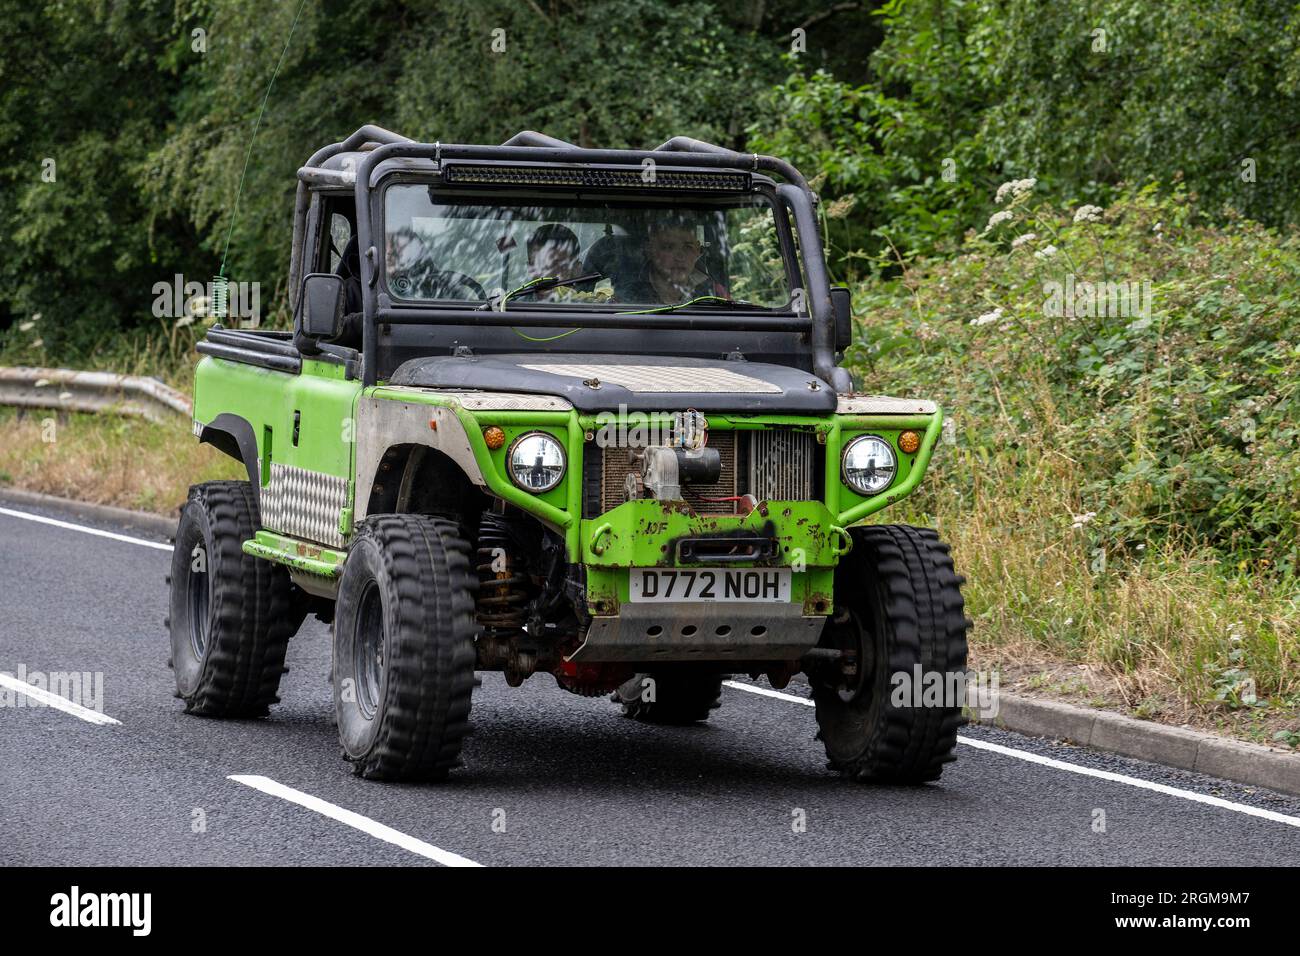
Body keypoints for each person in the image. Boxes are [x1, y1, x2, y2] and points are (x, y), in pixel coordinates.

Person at [617, 218, 724, 304]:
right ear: (650, 251)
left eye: (688, 247)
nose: (680, 257)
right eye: (668, 247)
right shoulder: (625, 294)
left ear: (698, 252)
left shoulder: (715, 291)